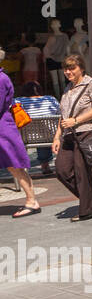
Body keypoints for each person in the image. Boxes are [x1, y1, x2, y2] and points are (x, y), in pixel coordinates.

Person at [52, 53, 92, 221]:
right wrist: (57, 137)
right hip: (69, 135)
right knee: (62, 170)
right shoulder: (68, 88)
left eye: (72, 68)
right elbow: (64, 115)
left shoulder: (91, 84)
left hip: (86, 132)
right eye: (66, 69)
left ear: (81, 68)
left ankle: (87, 210)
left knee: (81, 171)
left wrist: (76, 120)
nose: (68, 72)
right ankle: (90, 198)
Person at [0, 47, 41, 217]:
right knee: (13, 165)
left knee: (14, 165)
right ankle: (32, 200)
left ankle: (32, 201)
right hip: (3, 127)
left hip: (3, 128)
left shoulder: (1, 79)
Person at [15, 82, 57, 177]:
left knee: (36, 134)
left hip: (27, 137)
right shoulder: (50, 99)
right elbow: (59, 113)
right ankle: (45, 166)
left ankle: (25, 169)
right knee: (44, 133)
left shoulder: (17, 101)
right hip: (50, 135)